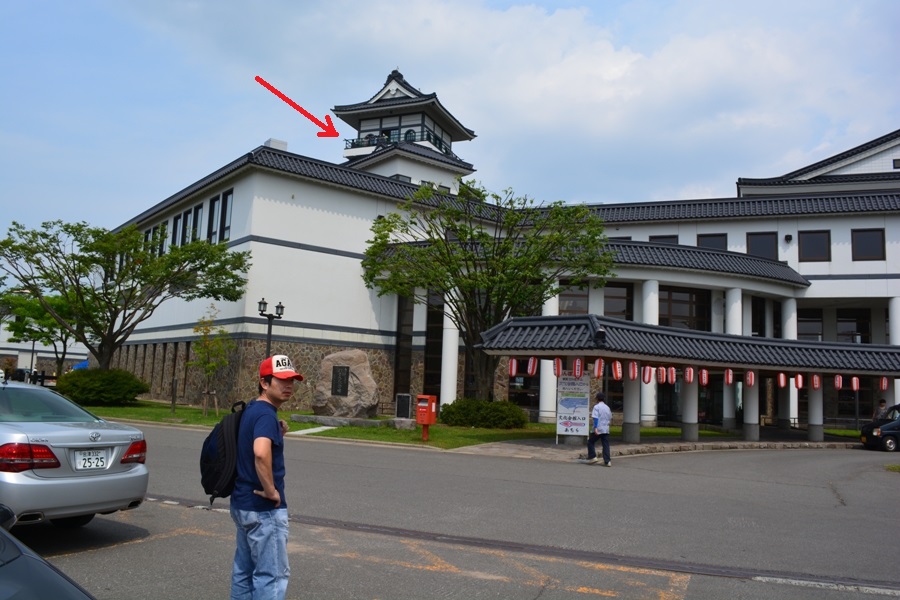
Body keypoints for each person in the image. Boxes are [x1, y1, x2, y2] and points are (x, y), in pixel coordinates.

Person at [230, 354, 303, 600]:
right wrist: (271, 491)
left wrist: (276, 431)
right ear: (264, 382)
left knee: (244, 571)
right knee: (271, 576)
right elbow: (260, 453)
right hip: (263, 510)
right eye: (282, 380)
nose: (288, 385)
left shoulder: (252, 409)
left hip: (242, 503)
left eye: (291, 380)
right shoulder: (265, 415)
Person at [581, 391, 613, 466]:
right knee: (605, 444)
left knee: (590, 442)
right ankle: (607, 461)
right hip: (605, 428)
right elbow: (610, 417)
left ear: (597, 399)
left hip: (598, 428)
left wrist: (595, 427)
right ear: (604, 399)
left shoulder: (596, 407)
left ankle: (593, 457)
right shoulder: (607, 407)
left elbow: (595, 418)